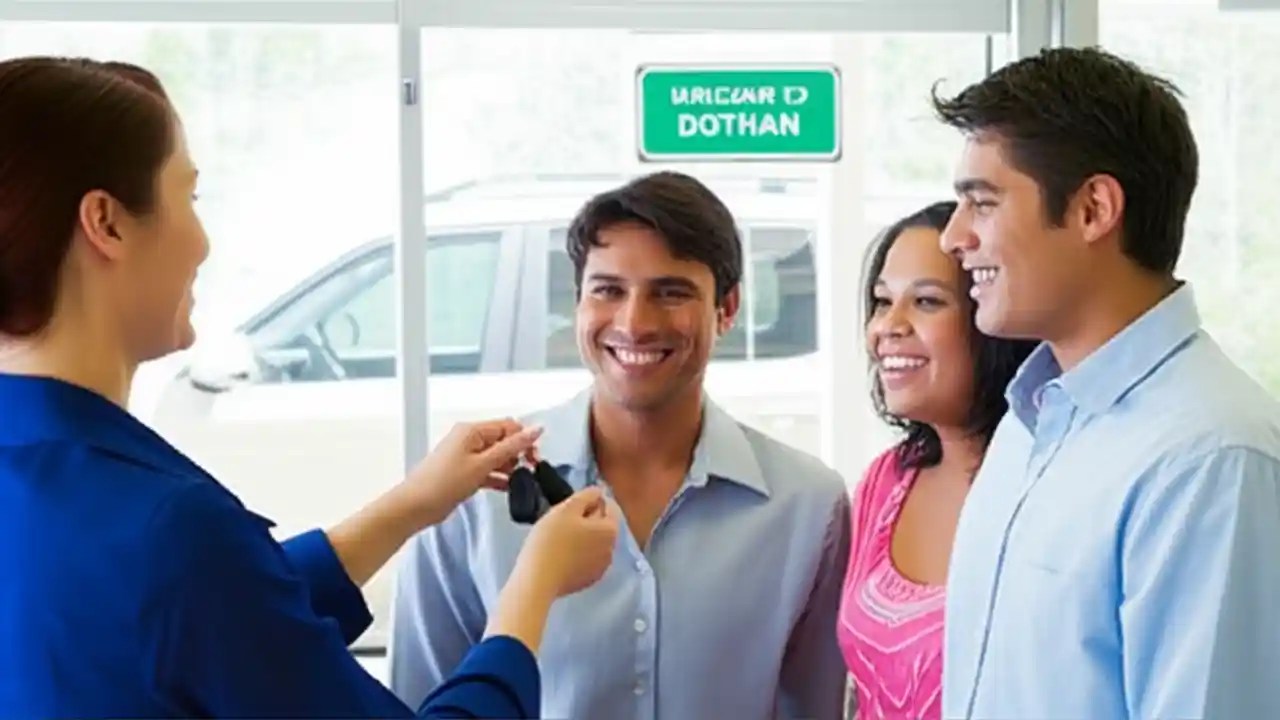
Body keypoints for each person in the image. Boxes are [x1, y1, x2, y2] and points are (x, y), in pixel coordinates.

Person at [0, 56, 620, 718]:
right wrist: (533, 588)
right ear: (108, 223)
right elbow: (207, 601)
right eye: (189, 197)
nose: (203, 243)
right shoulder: (169, 531)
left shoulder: (62, 494)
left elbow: (218, 624)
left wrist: (413, 504)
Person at [388, 171, 852, 719]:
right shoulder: (472, 499)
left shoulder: (807, 506)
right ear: (579, 302)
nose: (634, 322)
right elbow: (415, 702)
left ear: (726, 309)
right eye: (608, 290)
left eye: (670, 292)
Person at [930, 47, 1280, 719]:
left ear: (1093, 209)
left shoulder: (1212, 458)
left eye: (982, 202)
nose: (953, 237)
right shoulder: (1028, 425)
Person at [836, 201, 1035, 720]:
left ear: (992, 317)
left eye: (925, 301)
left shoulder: (1046, 481)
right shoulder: (887, 480)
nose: (888, 326)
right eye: (882, 301)